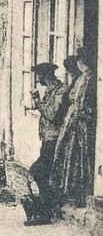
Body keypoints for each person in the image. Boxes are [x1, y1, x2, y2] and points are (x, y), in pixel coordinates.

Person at [22, 62, 69, 225]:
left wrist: (37, 100)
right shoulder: (50, 90)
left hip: (55, 139)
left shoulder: (61, 90)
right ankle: (44, 212)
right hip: (47, 138)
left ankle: (45, 213)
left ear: (46, 75)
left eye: (40, 75)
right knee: (44, 174)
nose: (38, 78)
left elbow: (51, 114)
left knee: (38, 171)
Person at [52, 51, 97, 207]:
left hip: (79, 124)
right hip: (74, 121)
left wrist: (75, 122)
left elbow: (81, 104)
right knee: (71, 156)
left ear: (82, 61)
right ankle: (71, 192)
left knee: (79, 157)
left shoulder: (88, 78)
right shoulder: (83, 78)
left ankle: (79, 193)